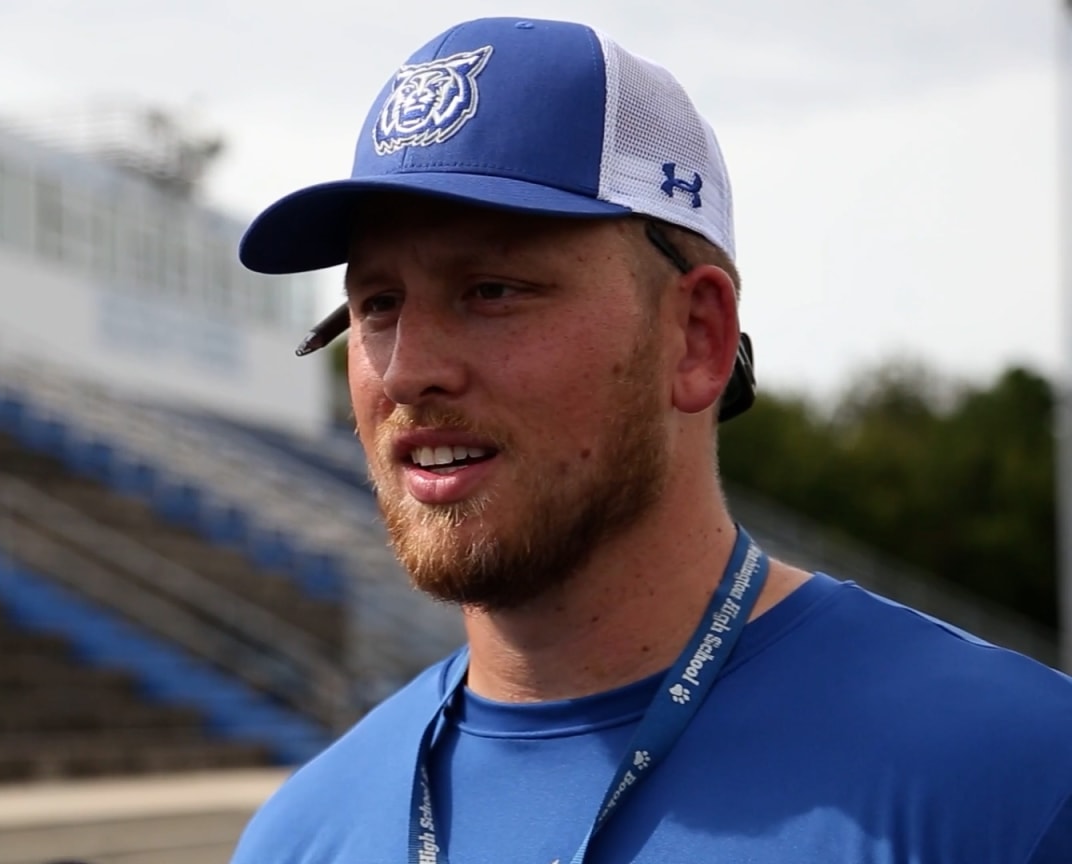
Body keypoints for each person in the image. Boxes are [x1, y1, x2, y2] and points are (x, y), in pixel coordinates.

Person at [230, 16, 1072, 864]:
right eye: (378, 304)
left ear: (696, 338)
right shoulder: (298, 837)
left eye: (490, 290)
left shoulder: (1018, 781)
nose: (409, 371)